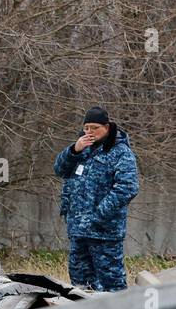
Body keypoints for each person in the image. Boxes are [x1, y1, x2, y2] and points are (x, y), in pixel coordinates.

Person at [53, 106, 139, 292]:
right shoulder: (82, 149)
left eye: (94, 128)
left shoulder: (120, 152)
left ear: (107, 127)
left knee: (111, 284)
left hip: (104, 232)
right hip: (78, 230)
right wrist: (74, 150)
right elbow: (59, 169)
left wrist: (98, 215)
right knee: (80, 284)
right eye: (86, 128)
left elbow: (127, 188)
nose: (89, 132)